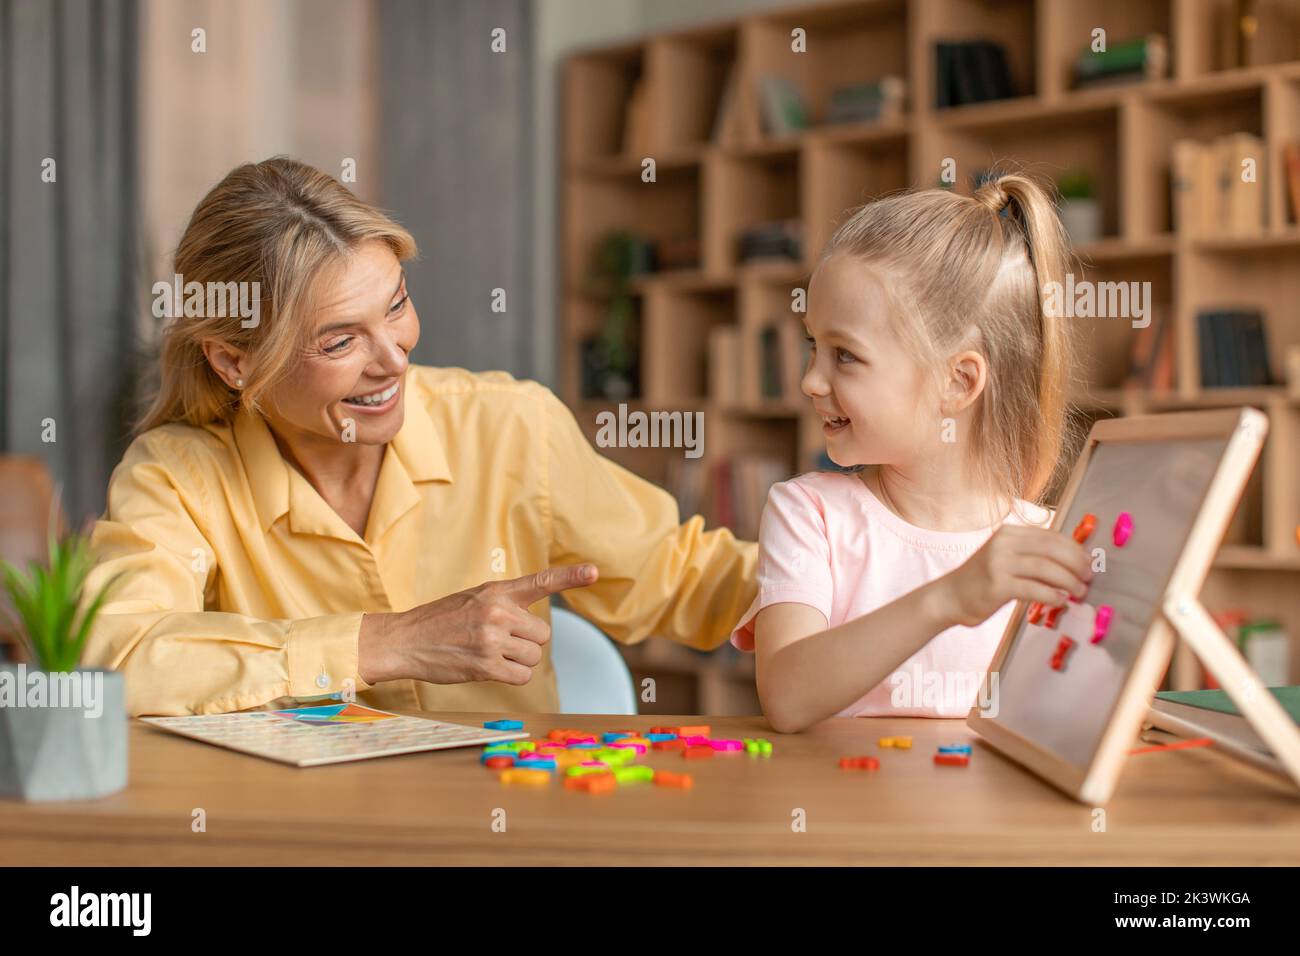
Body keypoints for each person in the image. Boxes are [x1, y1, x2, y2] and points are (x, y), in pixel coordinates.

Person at [82, 157, 756, 717]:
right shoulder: (178, 476)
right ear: (234, 361)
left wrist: (845, 558)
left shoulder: (510, 426)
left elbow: (683, 578)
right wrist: (384, 644)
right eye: (340, 340)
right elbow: (117, 658)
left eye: (397, 305)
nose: (394, 358)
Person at [730, 174, 1093, 733]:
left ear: (958, 382)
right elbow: (786, 696)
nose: (810, 381)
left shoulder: (1046, 546)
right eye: (813, 347)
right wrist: (949, 597)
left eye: (844, 356)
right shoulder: (810, 514)